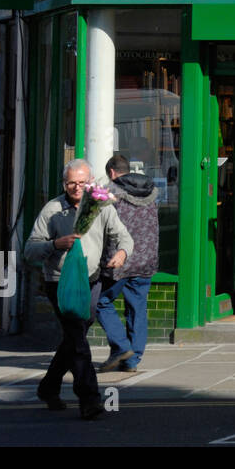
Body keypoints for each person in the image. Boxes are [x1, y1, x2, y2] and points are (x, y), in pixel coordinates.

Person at [24, 158, 133, 420]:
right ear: (64, 183)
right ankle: (89, 399)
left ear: (91, 182)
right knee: (78, 340)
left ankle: (48, 388)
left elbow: (124, 237)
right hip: (60, 281)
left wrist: (121, 253)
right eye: (71, 182)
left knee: (74, 338)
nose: (76, 187)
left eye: (81, 182)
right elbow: (29, 250)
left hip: (91, 279)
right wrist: (54, 244)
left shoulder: (101, 205)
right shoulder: (52, 209)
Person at [96, 155, 159, 374]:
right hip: (146, 259)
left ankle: (121, 347)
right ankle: (132, 361)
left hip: (119, 259)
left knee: (100, 302)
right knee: (137, 309)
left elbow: (102, 226)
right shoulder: (150, 191)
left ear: (112, 172)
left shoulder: (110, 191)